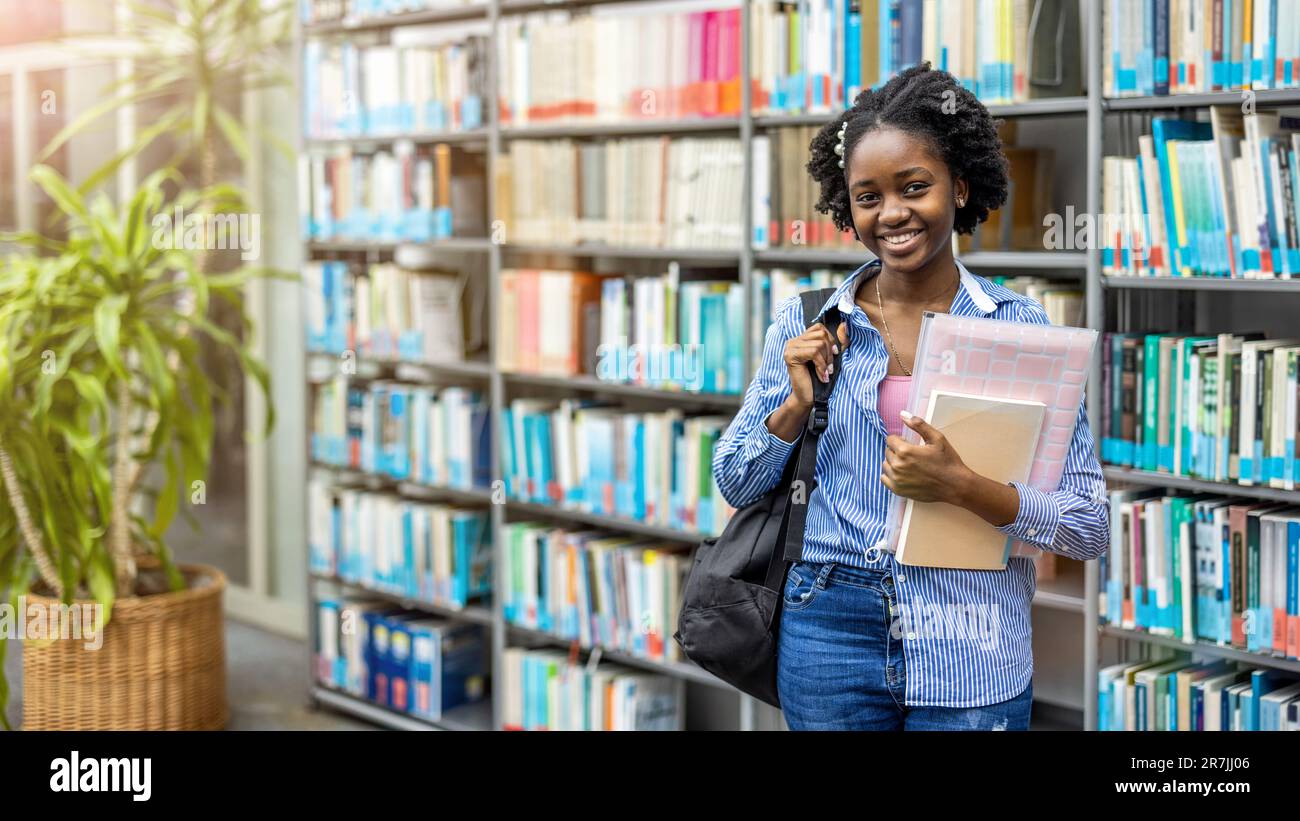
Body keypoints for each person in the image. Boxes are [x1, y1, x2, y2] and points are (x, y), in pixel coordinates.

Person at [712, 63, 1108, 731]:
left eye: (914, 187)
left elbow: (1087, 523)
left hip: (971, 636)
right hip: (826, 631)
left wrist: (963, 485)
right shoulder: (810, 322)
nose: (891, 213)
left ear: (958, 187)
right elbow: (734, 480)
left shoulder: (1017, 329)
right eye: (867, 196)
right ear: (848, 208)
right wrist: (791, 411)